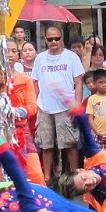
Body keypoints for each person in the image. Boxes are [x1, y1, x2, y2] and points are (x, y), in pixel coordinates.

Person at [31, 25, 86, 182]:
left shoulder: (71, 57)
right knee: (46, 144)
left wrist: (77, 104)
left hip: (66, 107)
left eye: (57, 38)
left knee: (70, 143)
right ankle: (46, 177)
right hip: (45, 107)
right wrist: (37, 101)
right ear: (46, 41)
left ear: (62, 39)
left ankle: (75, 175)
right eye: (50, 39)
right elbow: (34, 81)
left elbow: (79, 82)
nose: (54, 41)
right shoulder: (40, 58)